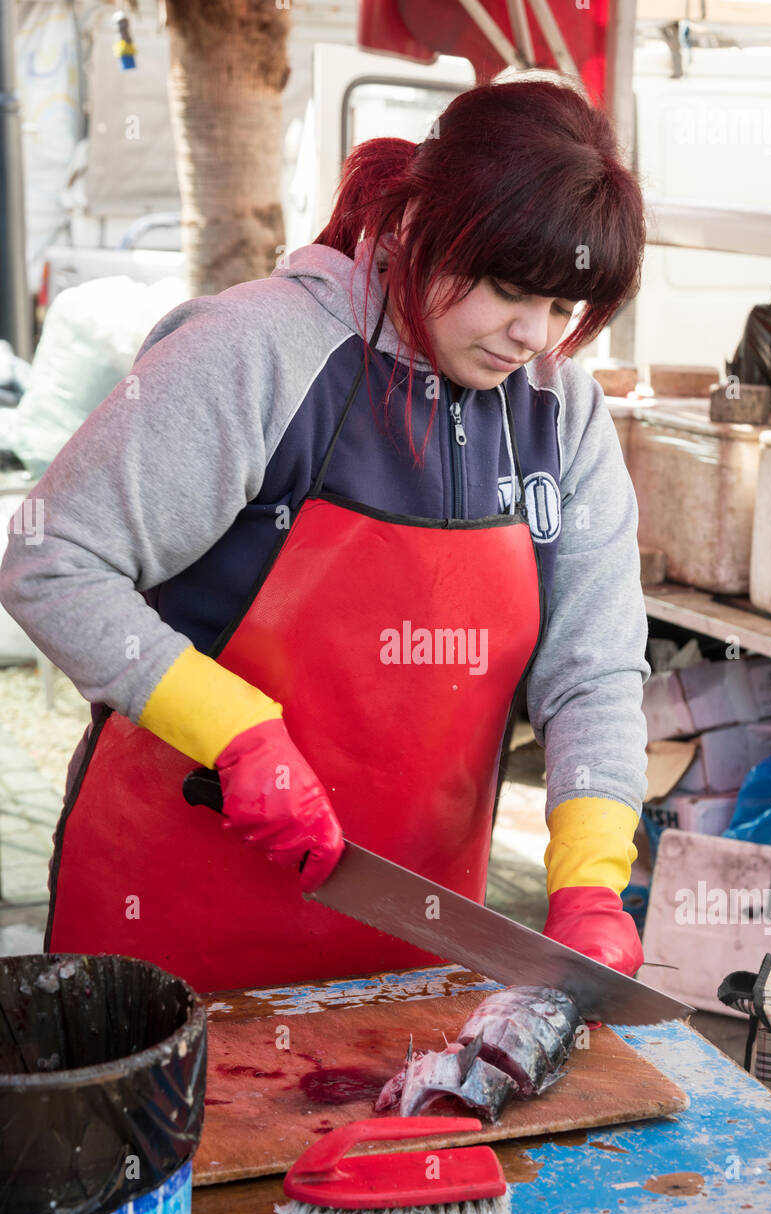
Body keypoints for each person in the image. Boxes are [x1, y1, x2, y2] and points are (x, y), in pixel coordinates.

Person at [0, 73, 650, 994]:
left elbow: (594, 668)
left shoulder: (560, 414)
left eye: (561, 308)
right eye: (510, 289)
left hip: (414, 941)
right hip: (173, 923)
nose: (530, 334)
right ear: (430, 221)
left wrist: (590, 875)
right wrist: (229, 732)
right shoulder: (257, 351)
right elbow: (51, 557)